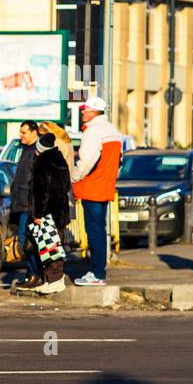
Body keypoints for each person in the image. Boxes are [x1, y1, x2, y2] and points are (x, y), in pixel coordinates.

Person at [69, 97, 122, 287]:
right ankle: (99, 271)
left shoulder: (93, 131)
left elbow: (87, 160)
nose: (82, 112)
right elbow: (118, 162)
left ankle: (97, 273)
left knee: (94, 231)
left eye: (85, 109)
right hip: (105, 187)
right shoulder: (113, 131)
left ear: (93, 112)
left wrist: (74, 177)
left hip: (91, 187)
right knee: (100, 230)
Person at [30, 132, 72, 294]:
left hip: (47, 214)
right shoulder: (59, 159)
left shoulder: (43, 162)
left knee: (49, 247)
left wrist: (38, 214)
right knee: (53, 245)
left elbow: (42, 191)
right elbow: (66, 187)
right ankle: (49, 280)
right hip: (60, 211)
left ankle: (55, 280)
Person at [11, 120, 42, 290]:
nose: (20, 135)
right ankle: (32, 274)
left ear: (34, 132)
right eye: (20, 132)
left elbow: (36, 181)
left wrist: (36, 207)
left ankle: (36, 274)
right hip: (21, 203)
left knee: (29, 242)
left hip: (30, 205)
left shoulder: (37, 151)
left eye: (24, 132)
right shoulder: (25, 150)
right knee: (25, 242)